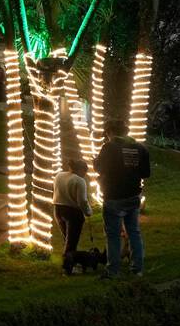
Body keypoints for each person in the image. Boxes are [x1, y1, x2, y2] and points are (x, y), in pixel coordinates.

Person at [95, 119, 151, 279]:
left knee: (113, 235)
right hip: (133, 196)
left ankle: (113, 271)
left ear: (110, 132)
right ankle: (137, 269)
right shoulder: (140, 148)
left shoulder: (109, 147)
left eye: (107, 134)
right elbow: (146, 173)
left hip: (113, 196)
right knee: (134, 232)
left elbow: (99, 168)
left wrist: (95, 162)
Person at [53, 158, 93, 275]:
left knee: (67, 238)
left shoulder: (59, 175)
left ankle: (71, 262)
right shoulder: (79, 181)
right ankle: (67, 268)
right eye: (85, 172)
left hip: (57, 209)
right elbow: (82, 201)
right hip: (73, 213)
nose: (85, 175)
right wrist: (88, 212)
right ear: (81, 170)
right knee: (71, 241)